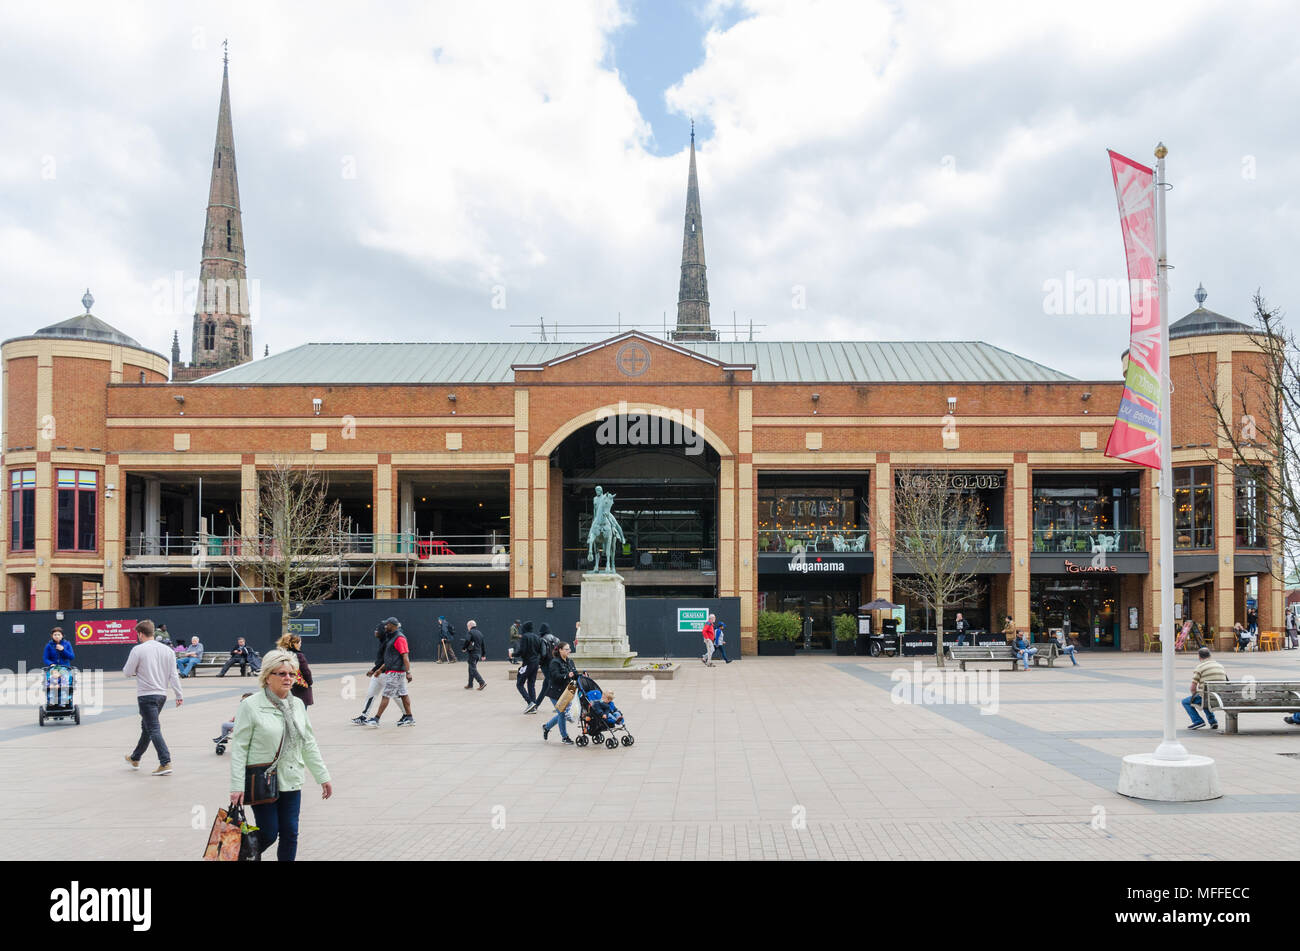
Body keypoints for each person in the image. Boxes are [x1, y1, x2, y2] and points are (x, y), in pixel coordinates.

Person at [228, 649, 333, 861]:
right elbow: (239, 748)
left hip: (291, 778)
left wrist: (323, 776)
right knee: (268, 832)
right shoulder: (251, 705)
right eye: (282, 673)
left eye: (291, 674)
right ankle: (237, 856)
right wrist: (237, 785)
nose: (288, 678)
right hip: (262, 779)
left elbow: (308, 742)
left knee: (290, 833)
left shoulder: (298, 705)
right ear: (267, 677)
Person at [123, 619, 183, 775]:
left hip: (146, 695)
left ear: (141, 634)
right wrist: (178, 694)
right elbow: (173, 675)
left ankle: (165, 762)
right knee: (147, 728)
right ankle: (135, 757)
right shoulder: (168, 651)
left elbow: (127, 672)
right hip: (161, 695)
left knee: (153, 728)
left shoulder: (138, 650)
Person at [364, 617, 413, 727]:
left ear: (393, 625)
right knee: (403, 694)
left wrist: (408, 672)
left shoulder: (400, 638)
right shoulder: (392, 638)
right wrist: (380, 669)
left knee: (386, 696)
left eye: (387, 625)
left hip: (396, 672)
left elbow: (405, 656)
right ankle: (409, 717)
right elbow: (391, 658)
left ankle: (376, 719)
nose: (385, 626)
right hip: (394, 671)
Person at [352, 623, 390, 724]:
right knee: (371, 694)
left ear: (382, 632)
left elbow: (387, 660)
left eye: (377, 630)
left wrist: (377, 670)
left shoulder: (387, 643)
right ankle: (363, 716)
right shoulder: (382, 641)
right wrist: (374, 670)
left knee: (397, 696)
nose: (375, 631)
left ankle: (407, 715)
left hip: (387, 674)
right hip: (378, 674)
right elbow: (381, 660)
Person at [542, 642, 578, 745]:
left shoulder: (570, 661)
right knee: (562, 713)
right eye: (566, 649)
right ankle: (564, 737)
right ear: (560, 650)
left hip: (568, 691)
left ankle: (546, 727)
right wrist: (567, 675)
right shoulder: (554, 662)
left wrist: (581, 675)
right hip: (556, 692)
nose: (569, 651)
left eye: (569, 649)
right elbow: (555, 676)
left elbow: (574, 674)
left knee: (562, 714)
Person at [1182, 647, 1226, 730]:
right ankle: (1213, 722)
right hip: (1220, 698)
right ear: (1210, 655)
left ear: (1199, 656)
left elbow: (1192, 688)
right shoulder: (1220, 666)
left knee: (1186, 701)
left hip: (1208, 697)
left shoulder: (1200, 667)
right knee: (1205, 697)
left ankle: (1198, 721)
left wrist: (1194, 697)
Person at [42, 626, 76, 707]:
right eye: (55, 634)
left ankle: (64, 701)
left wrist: (63, 650)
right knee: (52, 682)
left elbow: (71, 657)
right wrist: (50, 664)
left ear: (62, 636)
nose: (57, 636)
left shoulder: (67, 644)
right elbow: (45, 658)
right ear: (52, 636)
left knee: (65, 682)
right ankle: (52, 701)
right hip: (53, 668)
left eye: (59, 634)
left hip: (64, 667)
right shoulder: (49, 645)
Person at [277, 633, 314, 706]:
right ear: (294, 644)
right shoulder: (299, 656)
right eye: (299, 643)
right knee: (300, 715)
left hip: (283, 690)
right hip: (299, 691)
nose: (300, 644)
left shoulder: (280, 655)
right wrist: (309, 682)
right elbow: (306, 672)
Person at [516, 621, 544, 712]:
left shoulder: (525, 637)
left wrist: (513, 654)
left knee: (519, 683)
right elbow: (541, 651)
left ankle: (530, 703)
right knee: (531, 684)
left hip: (527, 663)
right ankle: (534, 705)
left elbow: (522, 651)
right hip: (535, 663)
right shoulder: (537, 637)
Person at [463, 619, 487, 690]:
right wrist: (483, 655)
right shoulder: (480, 633)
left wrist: (464, 648)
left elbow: (467, 640)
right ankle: (470, 684)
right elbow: (483, 645)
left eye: (467, 626)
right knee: (471, 668)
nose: (467, 627)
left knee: (473, 669)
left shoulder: (470, 632)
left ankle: (481, 682)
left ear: (470, 626)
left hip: (472, 654)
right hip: (478, 654)